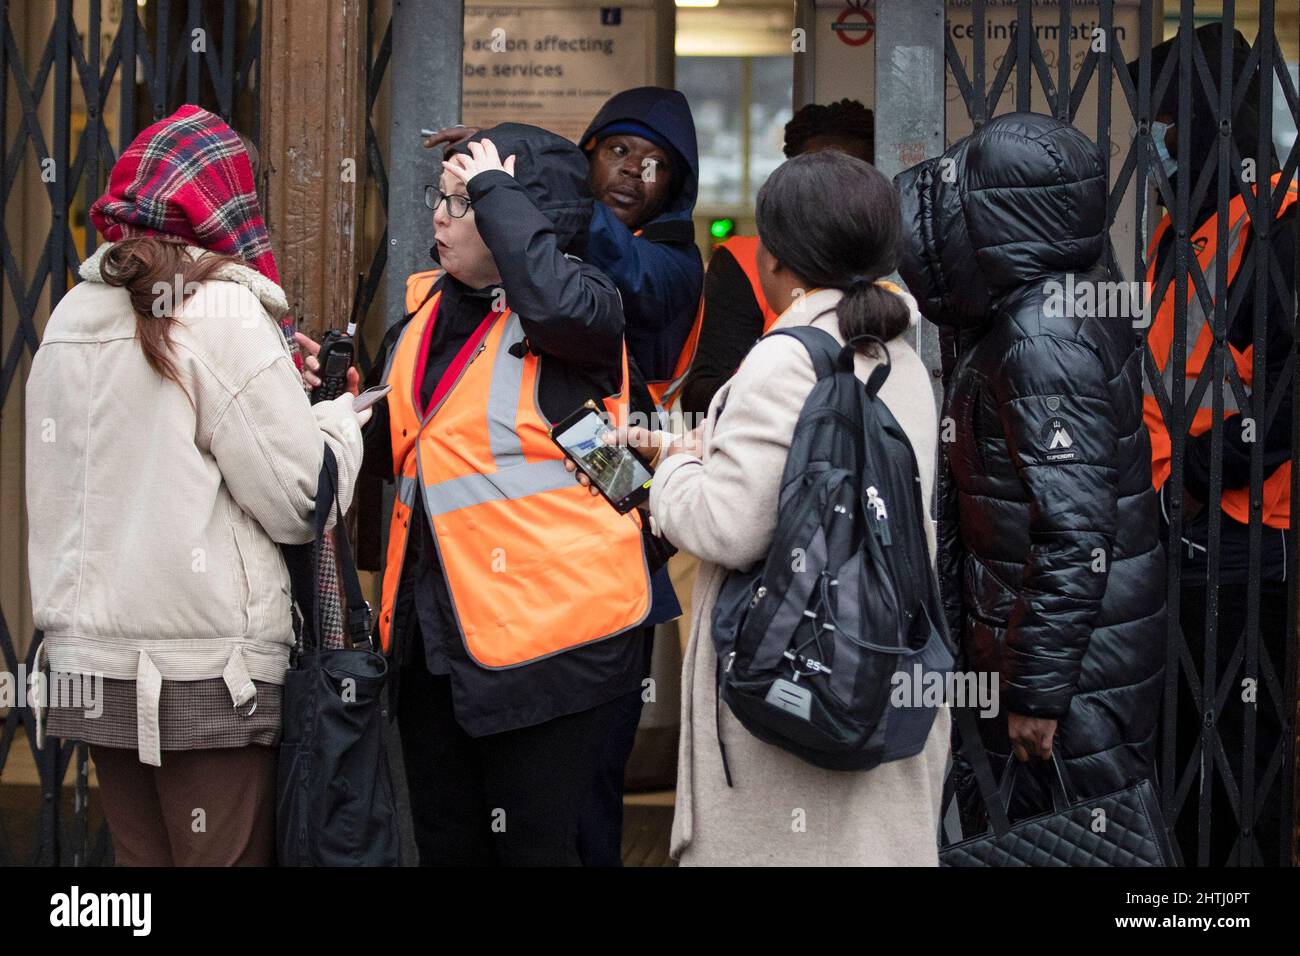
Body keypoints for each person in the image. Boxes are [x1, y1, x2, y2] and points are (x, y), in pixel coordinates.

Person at [573, 150, 949, 865]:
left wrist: (673, 470)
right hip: (875, 661)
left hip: (794, 683)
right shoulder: (896, 353)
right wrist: (690, 444)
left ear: (774, 257)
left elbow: (728, 524)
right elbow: (809, 466)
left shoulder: (785, 356)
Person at [25, 105, 368, 866]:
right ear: (229, 199)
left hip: (95, 674)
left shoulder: (71, 315)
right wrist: (339, 420)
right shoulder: (220, 311)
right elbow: (300, 500)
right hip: (207, 679)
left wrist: (275, 383)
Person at [362, 123, 657, 866]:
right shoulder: (421, 314)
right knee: (448, 844)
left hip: (552, 649)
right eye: (444, 197)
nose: (438, 216)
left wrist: (496, 189)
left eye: (463, 204)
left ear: (522, 215)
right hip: (437, 642)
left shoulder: (581, 312)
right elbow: (400, 452)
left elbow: (553, 301)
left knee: (534, 851)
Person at [426, 89, 701, 865]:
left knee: (583, 808)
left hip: (587, 606)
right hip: (491, 615)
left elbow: (586, 260)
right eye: (616, 152)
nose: (633, 173)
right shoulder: (447, 309)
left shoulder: (670, 265)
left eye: (656, 165)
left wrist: (512, 176)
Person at [895, 113, 1167, 827]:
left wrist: (1038, 694)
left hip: (1072, 678)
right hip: (1074, 655)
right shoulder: (1054, 301)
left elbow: (1074, 532)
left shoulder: (1043, 336)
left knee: (1076, 839)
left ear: (997, 221)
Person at [1131, 23, 1298, 866]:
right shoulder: (1183, 234)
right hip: (1181, 546)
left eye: (1162, 120)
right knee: (1180, 772)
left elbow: (1283, 399)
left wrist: (1193, 479)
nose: (1152, 144)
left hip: (1250, 552)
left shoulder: (1278, 229)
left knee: (1239, 773)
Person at [675, 99, 875, 416]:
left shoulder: (894, 266)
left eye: (850, 178)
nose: (832, 192)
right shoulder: (747, 260)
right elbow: (700, 401)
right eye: (815, 178)